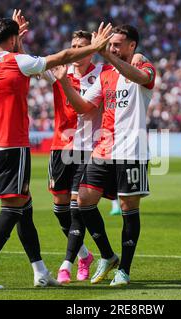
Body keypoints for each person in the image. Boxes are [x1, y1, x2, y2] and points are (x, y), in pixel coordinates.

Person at [0, 12, 113, 289]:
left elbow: (1, 48)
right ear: (12, 39)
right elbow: (62, 56)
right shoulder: (18, 61)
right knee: (11, 209)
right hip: (12, 144)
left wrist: (15, 36)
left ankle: (40, 272)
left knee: (25, 207)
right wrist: (96, 46)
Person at [54, 25, 156, 286]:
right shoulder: (105, 75)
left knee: (127, 209)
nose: (112, 49)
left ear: (132, 46)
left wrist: (106, 55)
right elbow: (83, 108)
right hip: (104, 149)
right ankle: (108, 256)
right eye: (110, 45)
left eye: (118, 44)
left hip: (132, 151)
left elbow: (137, 76)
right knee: (83, 202)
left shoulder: (145, 69)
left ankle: (125, 270)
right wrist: (65, 84)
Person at [43, 30, 103, 284]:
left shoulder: (101, 74)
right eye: (74, 45)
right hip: (61, 147)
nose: (77, 50)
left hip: (89, 148)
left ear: (91, 49)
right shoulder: (60, 69)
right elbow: (30, 63)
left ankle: (66, 265)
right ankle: (84, 255)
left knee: (77, 207)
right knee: (60, 208)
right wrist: (18, 41)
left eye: (82, 46)